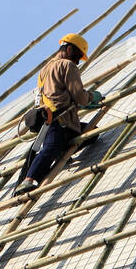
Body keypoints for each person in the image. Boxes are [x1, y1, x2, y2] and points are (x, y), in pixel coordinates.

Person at [14, 35, 103, 194]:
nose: (77, 62)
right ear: (69, 49)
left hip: (49, 119)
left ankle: (62, 150)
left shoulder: (44, 70)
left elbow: (57, 93)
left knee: (91, 132)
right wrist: (91, 97)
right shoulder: (67, 65)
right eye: (77, 57)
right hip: (59, 120)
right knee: (51, 148)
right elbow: (79, 96)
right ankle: (29, 179)